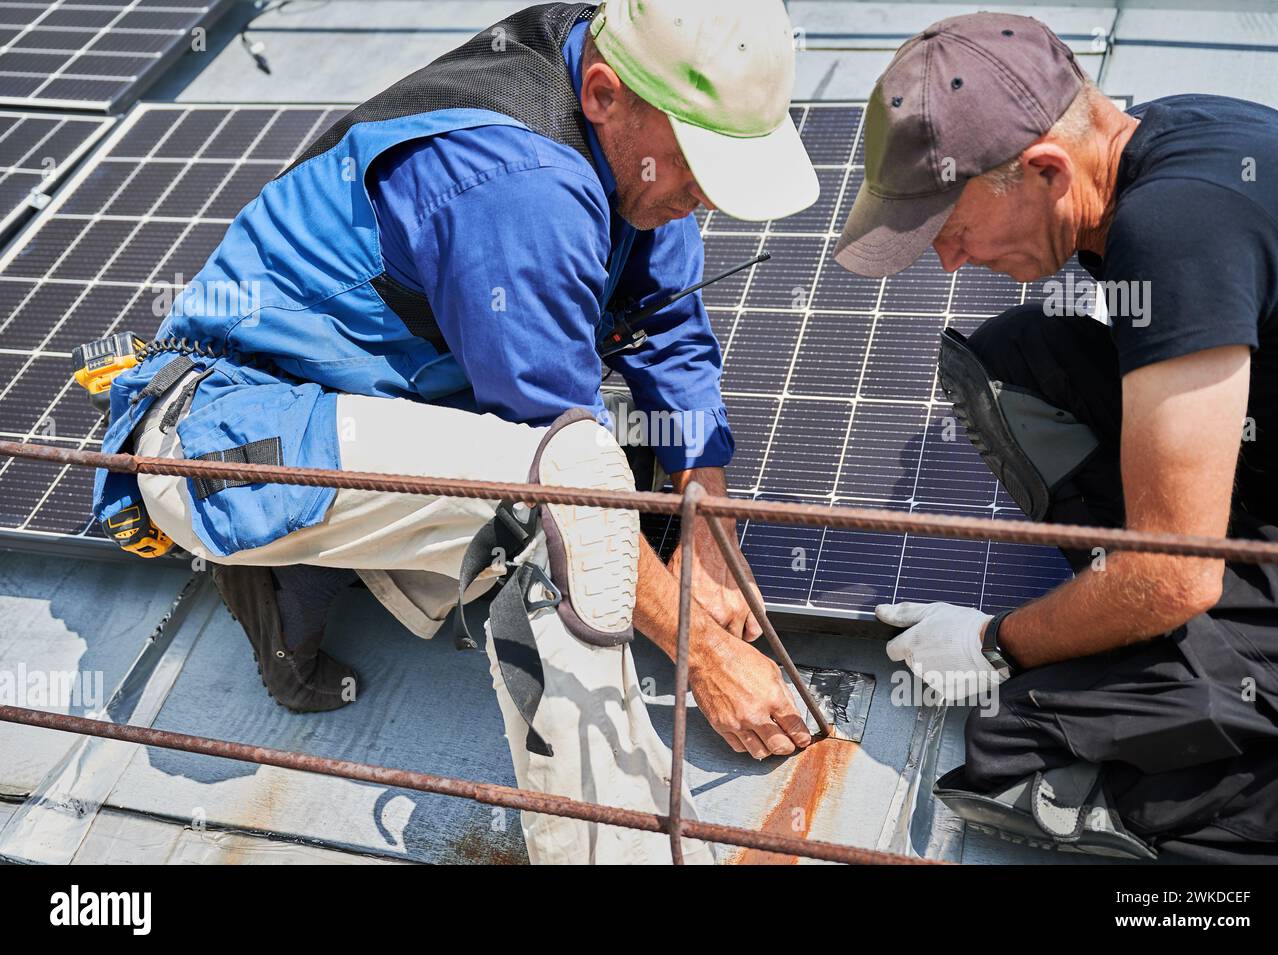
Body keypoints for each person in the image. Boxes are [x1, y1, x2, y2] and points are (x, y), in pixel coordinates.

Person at [91, 0, 822, 865]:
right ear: (601, 93)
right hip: (219, 441)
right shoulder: (522, 184)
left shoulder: (632, 117)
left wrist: (713, 533)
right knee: (578, 485)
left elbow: (665, 330)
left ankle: (314, 574)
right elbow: (559, 478)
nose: (703, 199)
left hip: (349, 411)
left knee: (637, 500)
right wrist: (703, 653)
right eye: (700, 170)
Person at [835, 11, 1278, 862]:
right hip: (1273, 464)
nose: (946, 262)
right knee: (1017, 358)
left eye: (951, 228)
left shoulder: (1177, 230)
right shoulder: (1164, 139)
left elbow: (1173, 572)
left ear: (1046, 168)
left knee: (1018, 745)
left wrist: (995, 640)